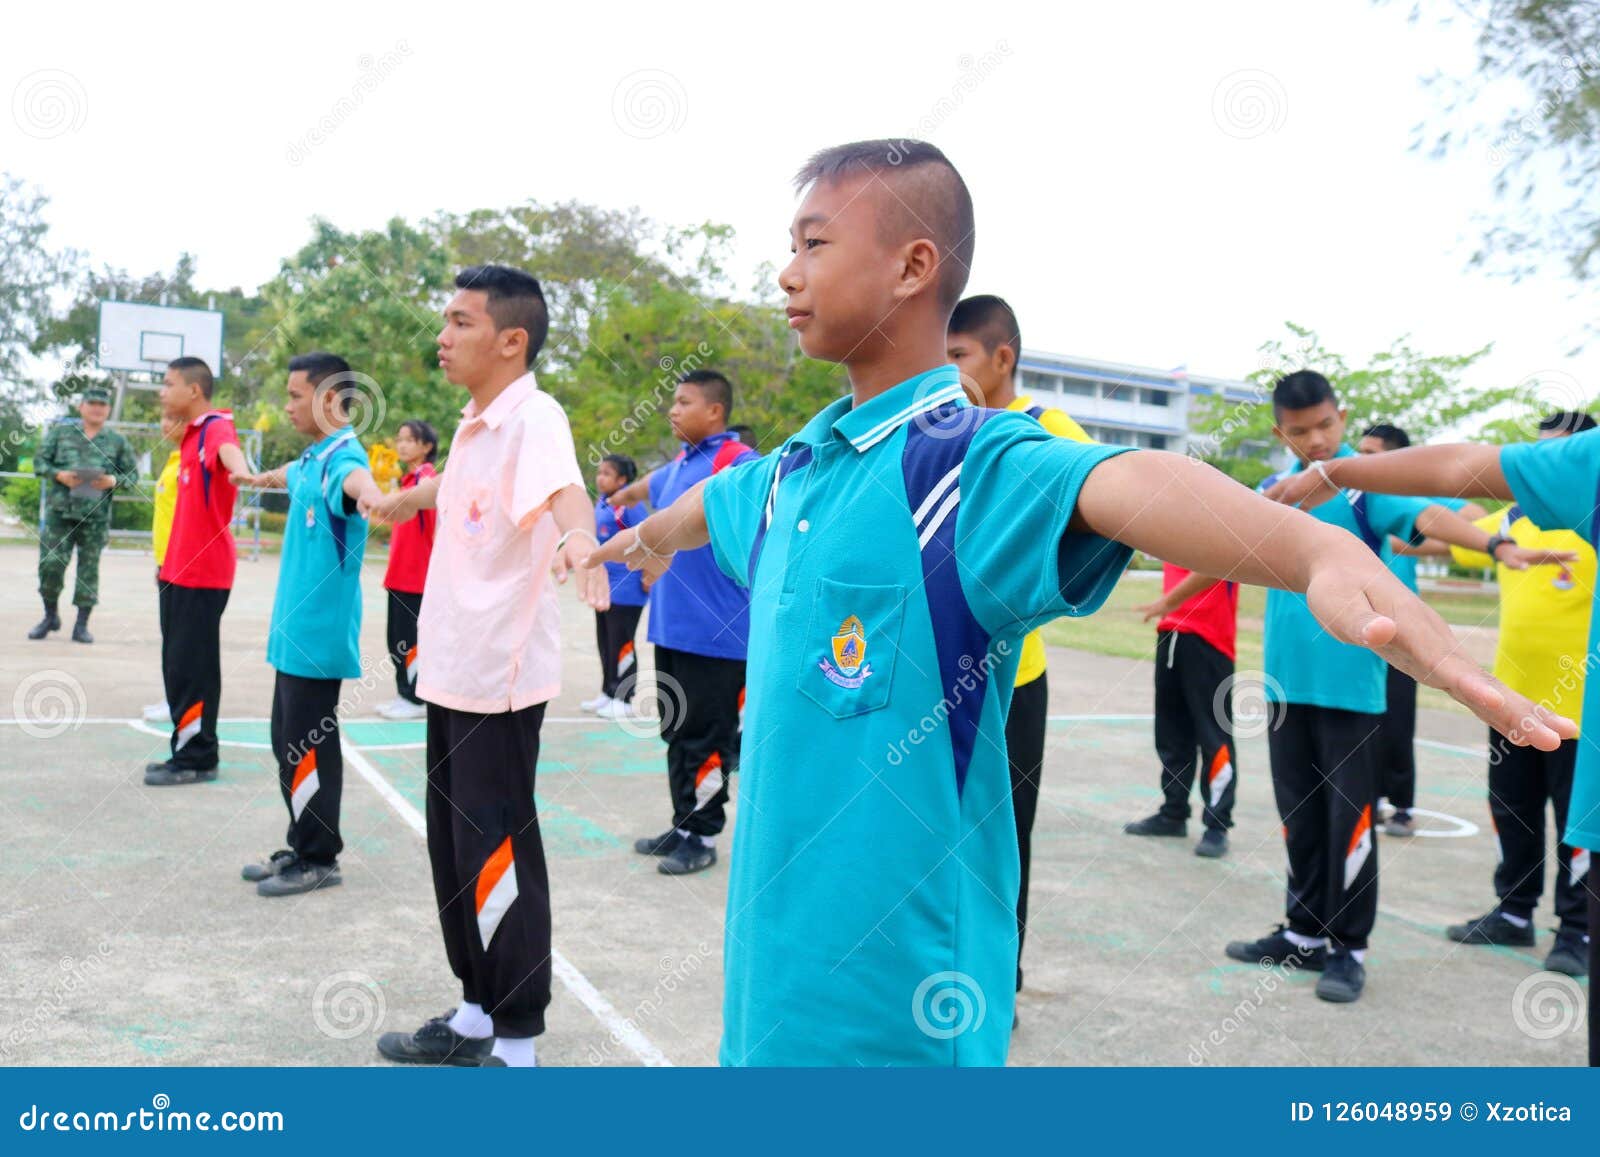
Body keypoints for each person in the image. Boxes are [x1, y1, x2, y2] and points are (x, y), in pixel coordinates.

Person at [587, 138, 1573, 1065]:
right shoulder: (790, 474)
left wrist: (1310, 546)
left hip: (897, 1025)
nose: (787, 274)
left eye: (812, 245)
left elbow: (1129, 483)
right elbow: (706, 508)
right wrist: (640, 534)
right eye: (786, 248)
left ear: (911, 265)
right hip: (761, 1006)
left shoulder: (960, 464)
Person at [1222, 371, 1569, 1006]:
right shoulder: (1274, 493)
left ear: (1342, 416)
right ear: (1281, 433)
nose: (1318, 440)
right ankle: (1302, 934)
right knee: (1298, 818)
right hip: (1284, 688)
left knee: (1349, 821)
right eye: (1300, 432)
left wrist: (1496, 543)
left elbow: (1429, 513)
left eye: (1326, 425)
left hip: (1354, 691)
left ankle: (1348, 949)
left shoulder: (1358, 486)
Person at [364, 265, 607, 1069]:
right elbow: (467, 490)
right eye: (446, 319)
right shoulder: (475, 423)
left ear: (511, 340)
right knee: (454, 849)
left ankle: (519, 1040)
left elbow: (566, 492)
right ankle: (475, 1010)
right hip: (452, 667)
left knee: (497, 850)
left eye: (461, 322)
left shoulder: (535, 417)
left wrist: (578, 539)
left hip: (498, 678)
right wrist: (413, 497)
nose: (443, 335)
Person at [947, 292, 1091, 999]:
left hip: (1011, 679)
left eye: (958, 357)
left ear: (1002, 358)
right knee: (930, 836)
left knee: (1001, 842)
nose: (947, 371)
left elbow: (1106, 506)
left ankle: (996, 981)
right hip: (934, 672)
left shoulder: (1041, 426)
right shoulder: (946, 426)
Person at [230, 353, 383, 896]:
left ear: (327, 400)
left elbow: (359, 484)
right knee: (286, 741)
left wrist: (376, 499)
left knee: (308, 748)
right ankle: (301, 842)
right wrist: (254, 477)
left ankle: (319, 858)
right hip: (291, 637)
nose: (288, 405)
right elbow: (289, 474)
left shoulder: (344, 460)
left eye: (296, 396)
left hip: (318, 640)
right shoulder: (313, 458)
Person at [612, 371, 756, 876]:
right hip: (672, 627)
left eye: (683, 402)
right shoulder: (679, 464)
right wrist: (621, 497)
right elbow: (647, 488)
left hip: (718, 633)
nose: (672, 410)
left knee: (707, 737)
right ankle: (682, 822)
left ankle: (703, 835)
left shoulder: (736, 462)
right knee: (676, 731)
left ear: (714, 411)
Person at [1356, 423, 1481, 837]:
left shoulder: (1412, 498)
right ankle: (1367, 799)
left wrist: (1407, 541)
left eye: (1372, 455)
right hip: (1358, 619)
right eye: (1360, 453)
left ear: (1396, 459)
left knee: (1397, 716)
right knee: (1362, 718)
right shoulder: (1356, 495)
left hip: (1400, 625)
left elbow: (1474, 521)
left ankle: (1403, 805)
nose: (1361, 462)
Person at [145, 357, 250, 787]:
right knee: (176, 664)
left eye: (168, 384)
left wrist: (242, 471)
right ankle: (184, 748)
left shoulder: (213, 426)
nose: (162, 392)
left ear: (194, 390)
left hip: (203, 573)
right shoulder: (188, 437)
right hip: (177, 571)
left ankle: (197, 757)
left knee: (193, 667)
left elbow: (230, 452)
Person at [1129, 564, 1240, 857]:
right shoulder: (1179, 520)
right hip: (1171, 632)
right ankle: (1173, 813)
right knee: (1171, 732)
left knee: (1214, 737)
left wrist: (1167, 601)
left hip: (1209, 639)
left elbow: (1216, 567)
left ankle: (1217, 825)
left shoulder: (1227, 520)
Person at [28, 385, 138, 644]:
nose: (97, 409)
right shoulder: (62, 433)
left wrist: (112, 479)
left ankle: (81, 625)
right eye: (92, 404)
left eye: (102, 405)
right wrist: (58, 474)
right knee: (50, 566)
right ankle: (50, 615)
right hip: (60, 514)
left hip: (95, 517)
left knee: (88, 573)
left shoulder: (116, 441)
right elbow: (39, 462)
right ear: (82, 407)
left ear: (108, 410)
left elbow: (132, 476)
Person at [378, 419, 439, 721]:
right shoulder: (407, 480)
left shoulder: (426, 477)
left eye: (409, 440)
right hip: (399, 574)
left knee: (409, 639)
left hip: (416, 576)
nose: (401, 445)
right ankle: (404, 692)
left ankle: (415, 697)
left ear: (426, 447)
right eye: (399, 439)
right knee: (395, 639)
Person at [582, 454, 649, 719]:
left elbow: (647, 538)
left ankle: (625, 698)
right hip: (604, 586)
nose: (600, 478)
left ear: (622, 480)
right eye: (599, 473)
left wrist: (646, 576)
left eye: (607, 474)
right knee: (605, 641)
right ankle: (608, 692)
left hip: (627, 586)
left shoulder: (629, 505)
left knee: (622, 642)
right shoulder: (602, 503)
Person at [143, 413, 185, 723]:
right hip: (166, 560)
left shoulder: (189, 462)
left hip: (181, 562)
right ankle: (172, 697)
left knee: (179, 637)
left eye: (172, 418)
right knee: (169, 635)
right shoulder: (174, 458)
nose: (164, 423)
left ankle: (177, 702)